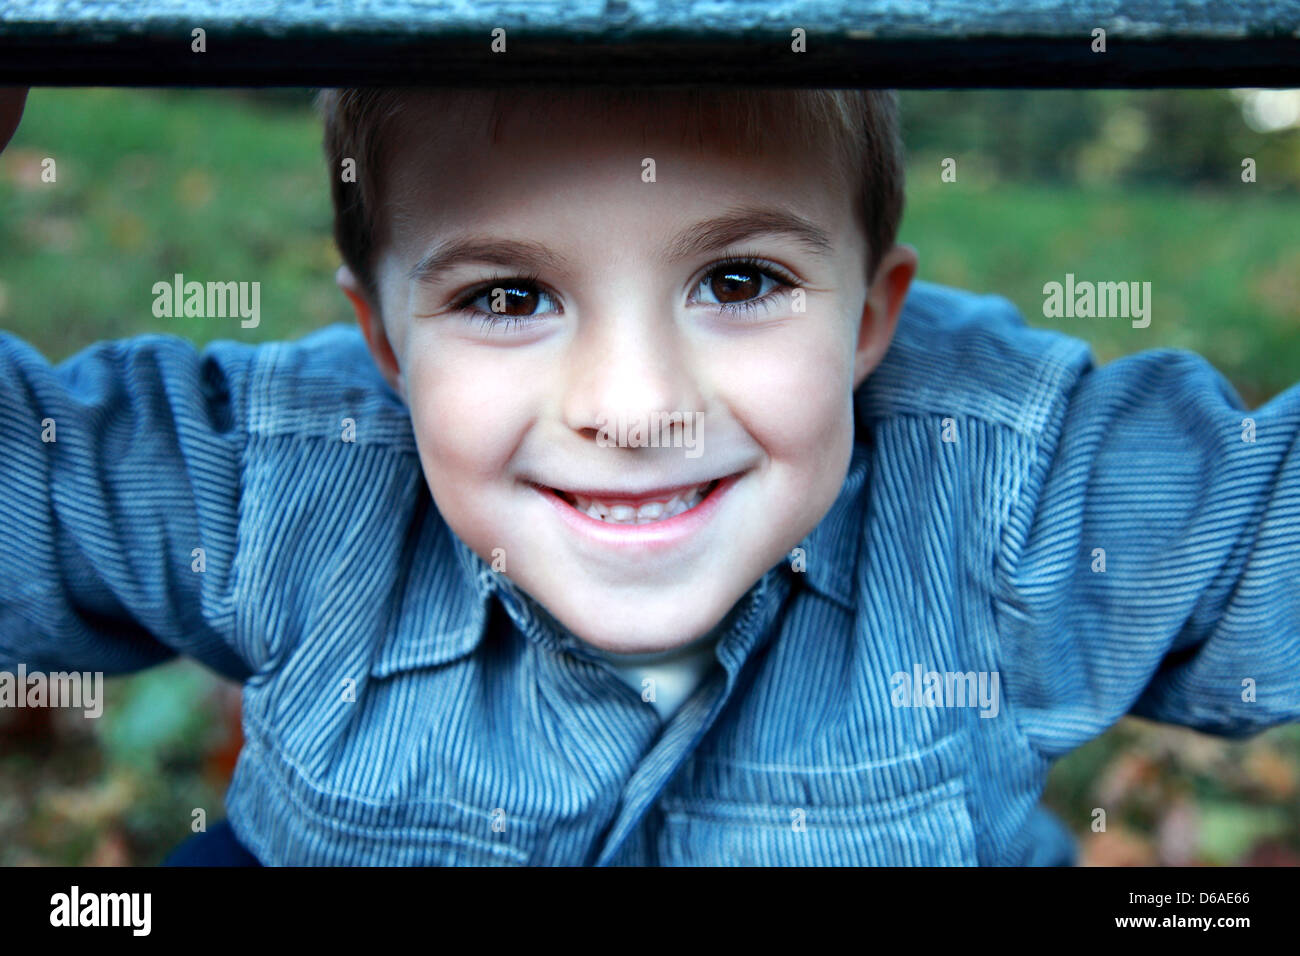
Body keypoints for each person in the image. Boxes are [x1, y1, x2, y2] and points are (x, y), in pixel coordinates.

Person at [2, 87, 1297, 865]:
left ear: (865, 318)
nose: (634, 408)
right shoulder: (278, 482)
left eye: (741, 282)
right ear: (385, 341)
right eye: (508, 296)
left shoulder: (1004, 481)